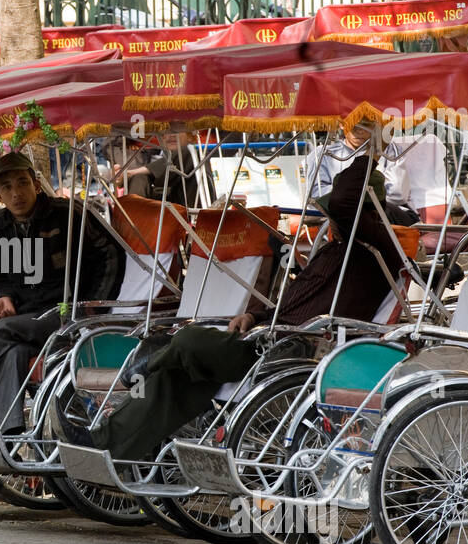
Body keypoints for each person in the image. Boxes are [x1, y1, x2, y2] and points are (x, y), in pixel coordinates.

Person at [74, 127, 401, 462]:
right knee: (171, 382)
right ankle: (103, 446)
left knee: (187, 340)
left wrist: (372, 154)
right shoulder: (336, 248)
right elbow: (292, 304)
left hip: (294, 350)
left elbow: (348, 200)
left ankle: (143, 367)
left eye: (337, 215)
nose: (332, 220)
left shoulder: (377, 249)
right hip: (266, 336)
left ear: (366, 215)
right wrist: (254, 316)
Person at [0, 151, 124, 434]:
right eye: (7, 187)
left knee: (1, 332)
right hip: (29, 317)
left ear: (36, 184)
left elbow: (111, 254)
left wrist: (92, 307)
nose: (17, 193)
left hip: (66, 311)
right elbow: (2, 277)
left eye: (22, 183)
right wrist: (4, 296)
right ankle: (10, 431)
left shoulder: (67, 214)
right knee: (13, 352)